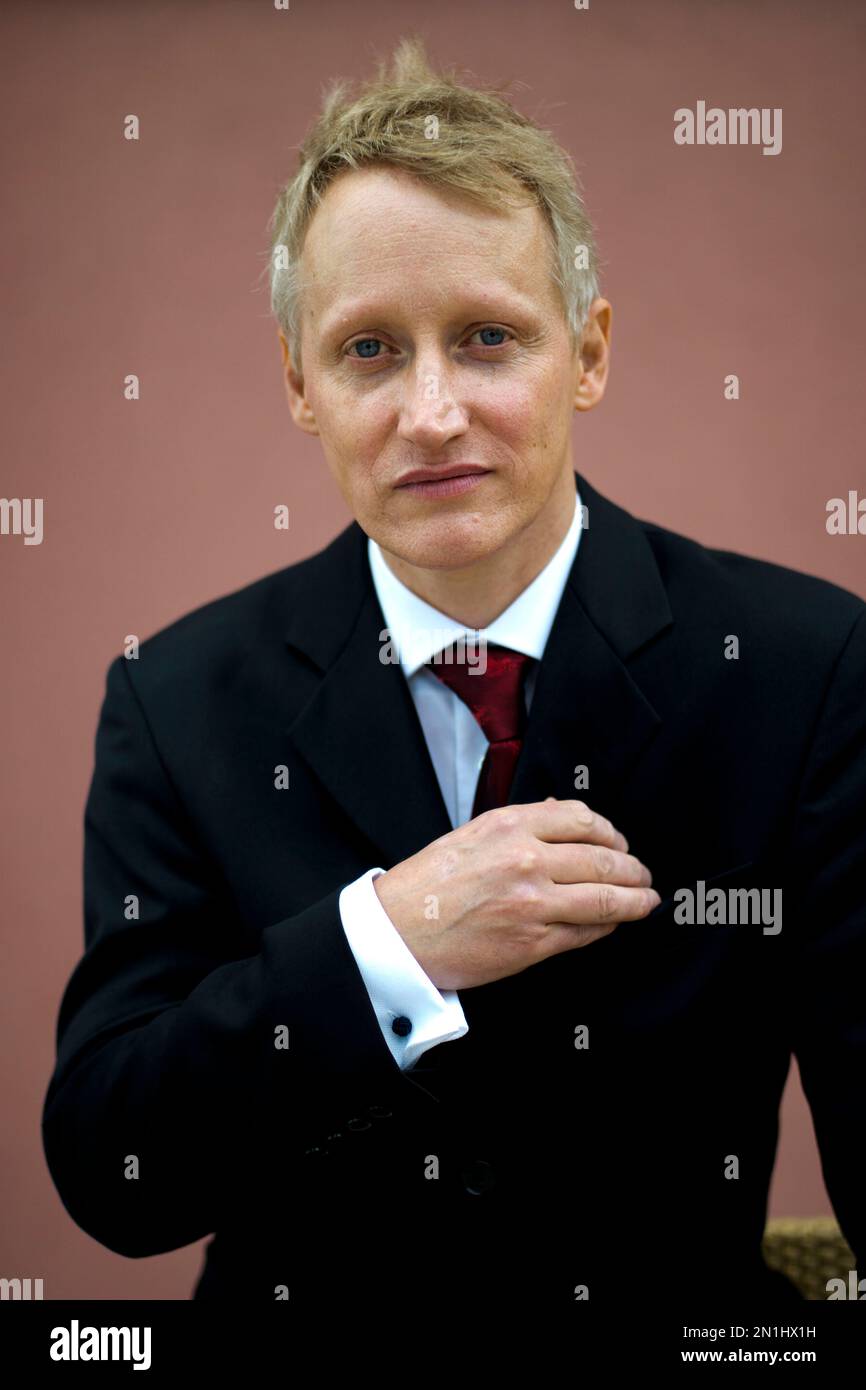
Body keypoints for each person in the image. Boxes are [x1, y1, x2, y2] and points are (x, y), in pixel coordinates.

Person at [43, 36, 865, 1313]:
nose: (430, 412)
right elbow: (116, 1166)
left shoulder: (807, 668)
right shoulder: (176, 696)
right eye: (369, 349)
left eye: (487, 336)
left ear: (586, 354)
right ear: (298, 383)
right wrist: (389, 941)